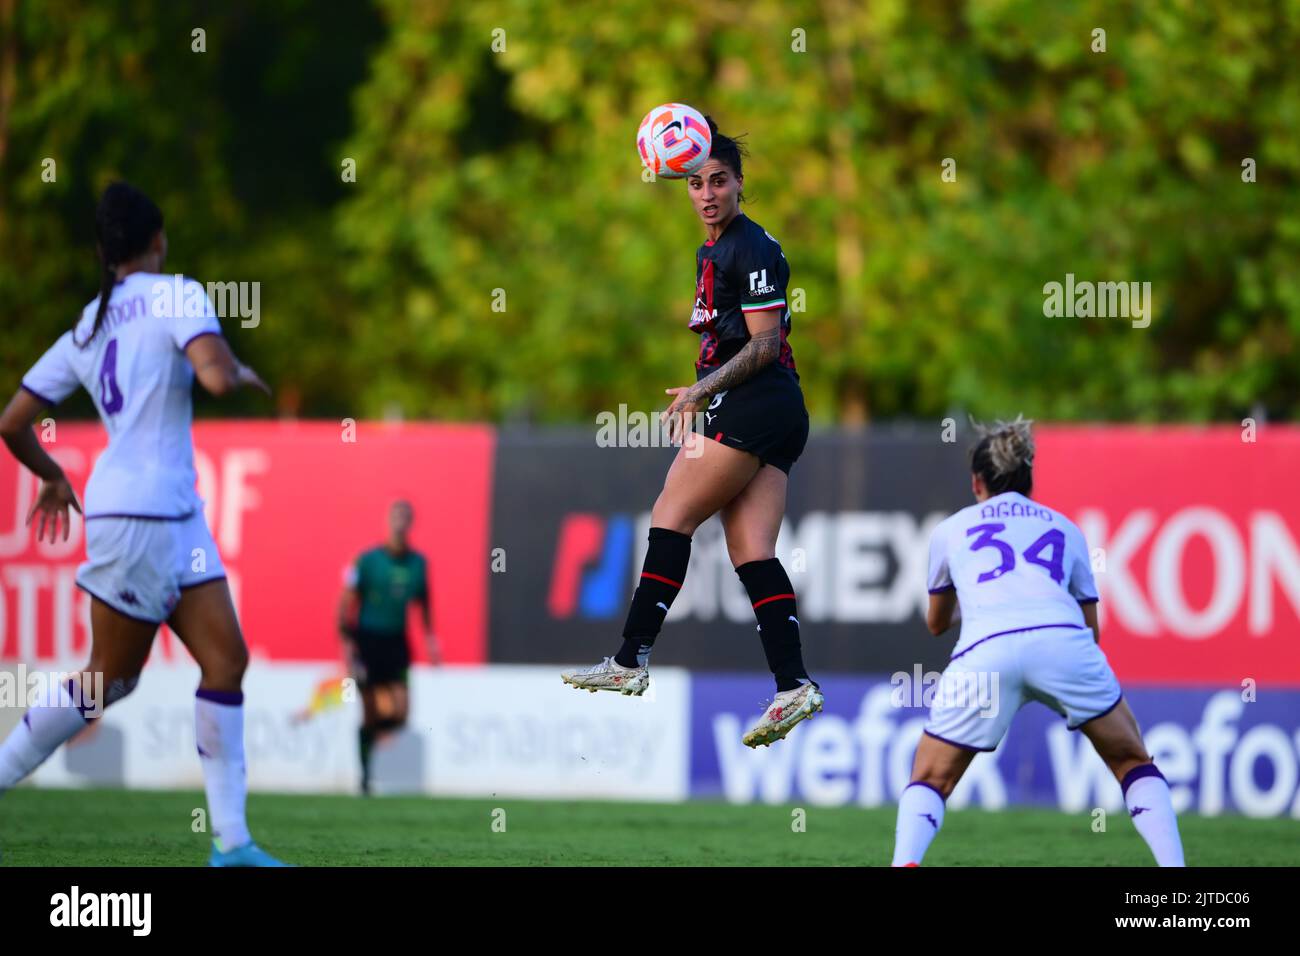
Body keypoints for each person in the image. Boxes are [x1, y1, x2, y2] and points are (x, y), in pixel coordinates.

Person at [0, 181, 286, 866]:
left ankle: (234, 846)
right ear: (158, 242)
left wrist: (50, 474)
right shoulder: (179, 292)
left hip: (167, 514)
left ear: (104, 251)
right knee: (107, 680)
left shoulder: (87, 324)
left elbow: (11, 422)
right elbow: (213, 378)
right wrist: (236, 369)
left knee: (226, 660)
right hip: (142, 516)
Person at [561, 116, 821, 748]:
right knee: (752, 554)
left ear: (739, 184)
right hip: (777, 412)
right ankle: (795, 686)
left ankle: (628, 659)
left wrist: (702, 391)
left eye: (720, 180)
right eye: (696, 182)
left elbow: (766, 343)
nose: (707, 193)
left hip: (756, 401)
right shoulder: (716, 248)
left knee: (670, 515)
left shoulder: (748, 245)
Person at [891, 417, 1184, 867]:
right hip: (1063, 643)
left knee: (930, 778)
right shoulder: (1066, 529)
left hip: (985, 650)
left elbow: (936, 623)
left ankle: (904, 864)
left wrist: (988, 599)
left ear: (976, 482)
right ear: (1029, 481)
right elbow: (1092, 631)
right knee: (1131, 760)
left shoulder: (951, 529)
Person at [338, 499, 439, 794]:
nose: (400, 521)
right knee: (369, 711)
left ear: (410, 523)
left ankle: (374, 735)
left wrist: (431, 640)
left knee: (401, 712)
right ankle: (365, 774)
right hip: (368, 641)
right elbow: (345, 604)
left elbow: (425, 604)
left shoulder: (418, 564)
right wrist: (347, 645)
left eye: (406, 516)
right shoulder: (367, 561)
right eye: (396, 515)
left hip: (397, 643)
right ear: (388, 520)